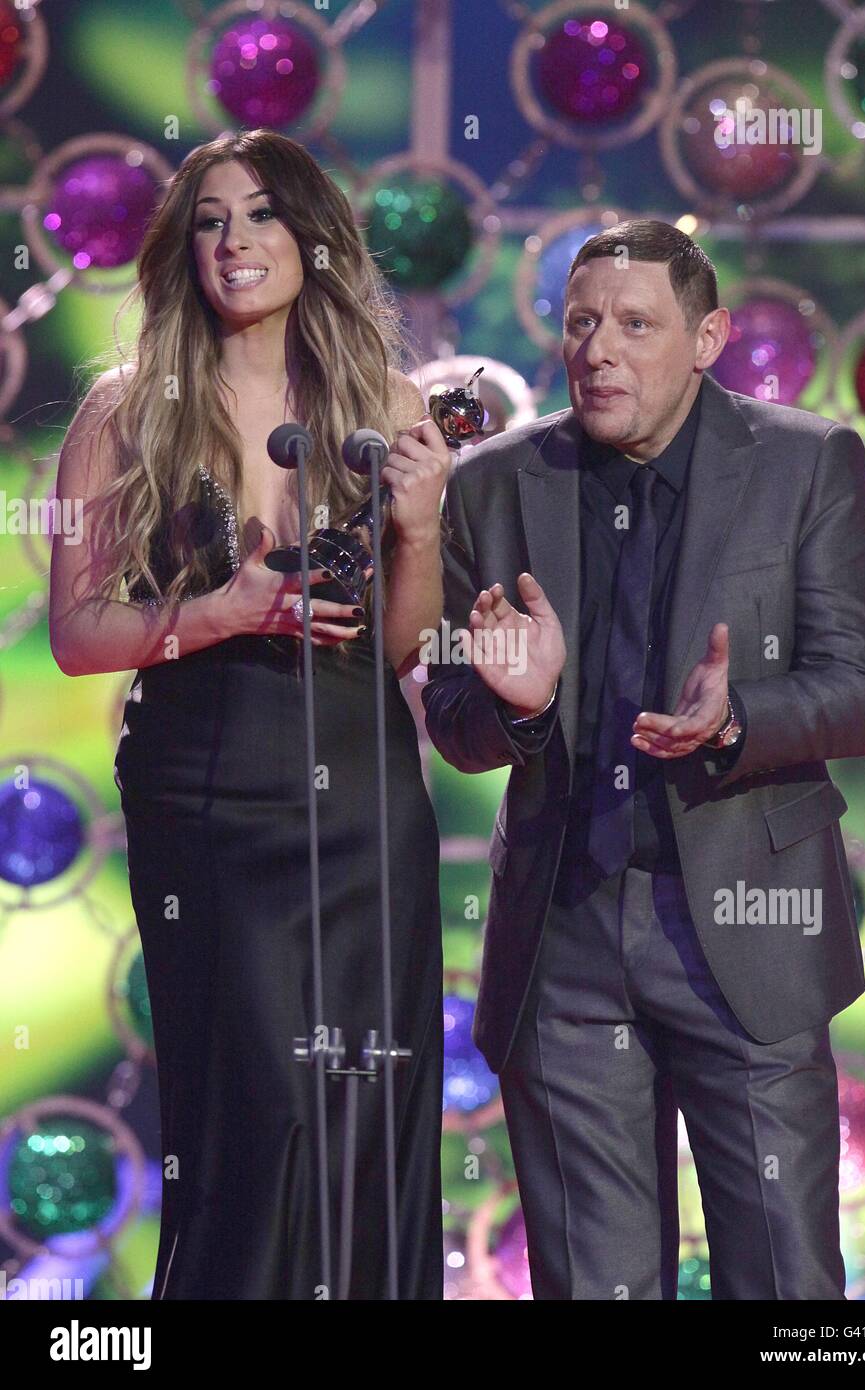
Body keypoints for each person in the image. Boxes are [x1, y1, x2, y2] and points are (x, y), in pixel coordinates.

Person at [421, 219, 865, 1300]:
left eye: (636, 325)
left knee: (786, 1287)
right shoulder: (495, 483)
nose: (599, 349)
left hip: (746, 926)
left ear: (708, 338)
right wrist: (521, 710)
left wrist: (736, 722)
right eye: (582, 323)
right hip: (567, 938)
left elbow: (860, 692)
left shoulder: (805, 460)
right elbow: (454, 715)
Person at [49, 130, 450, 1300]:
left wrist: (420, 532)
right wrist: (221, 611)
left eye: (263, 215)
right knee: (258, 1110)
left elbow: (407, 644)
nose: (236, 242)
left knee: (369, 1106)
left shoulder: (386, 399)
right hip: (209, 789)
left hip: (363, 784)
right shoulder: (125, 411)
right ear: (185, 249)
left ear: (312, 239)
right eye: (211, 220)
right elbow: (78, 635)